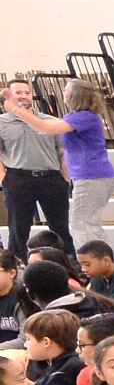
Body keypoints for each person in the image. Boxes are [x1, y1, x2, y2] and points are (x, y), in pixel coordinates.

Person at [1, 78, 72, 259]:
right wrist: (4, 178)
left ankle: (68, 263)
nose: (24, 96)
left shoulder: (49, 121)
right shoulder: (2, 122)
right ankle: (17, 265)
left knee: (60, 227)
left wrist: (65, 176)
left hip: (51, 178)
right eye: (18, 92)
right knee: (18, 228)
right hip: (18, 178)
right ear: (9, 95)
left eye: (27, 92)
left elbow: (62, 151)